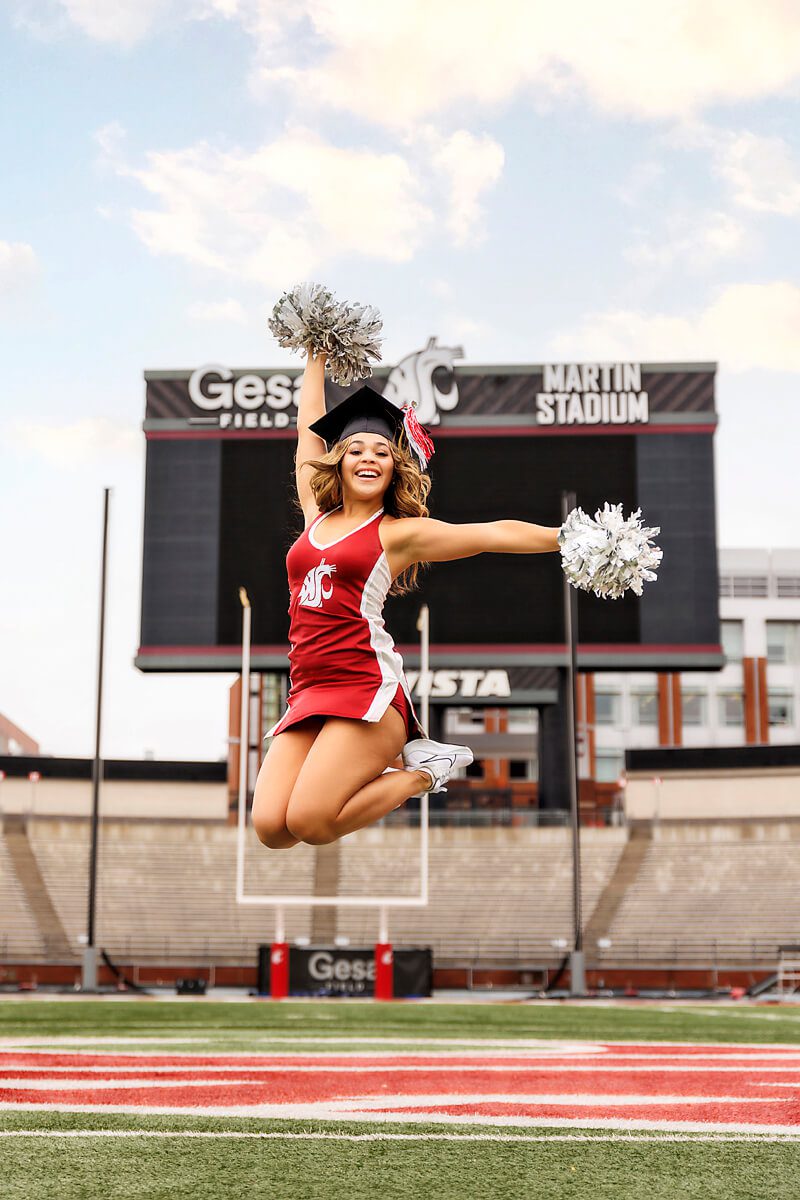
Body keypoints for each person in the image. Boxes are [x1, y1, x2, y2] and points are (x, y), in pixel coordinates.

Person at [251, 351, 561, 850]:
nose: (369, 458)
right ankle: (411, 769)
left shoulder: (398, 534)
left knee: (310, 821)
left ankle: (424, 771)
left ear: (395, 467)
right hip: (308, 689)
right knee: (271, 828)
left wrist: (565, 539)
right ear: (340, 460)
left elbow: (488, 534)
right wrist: (314, 358)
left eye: (382, 451)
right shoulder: (316, 517)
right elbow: (306, 433)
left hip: (364, 690)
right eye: (357, 449)